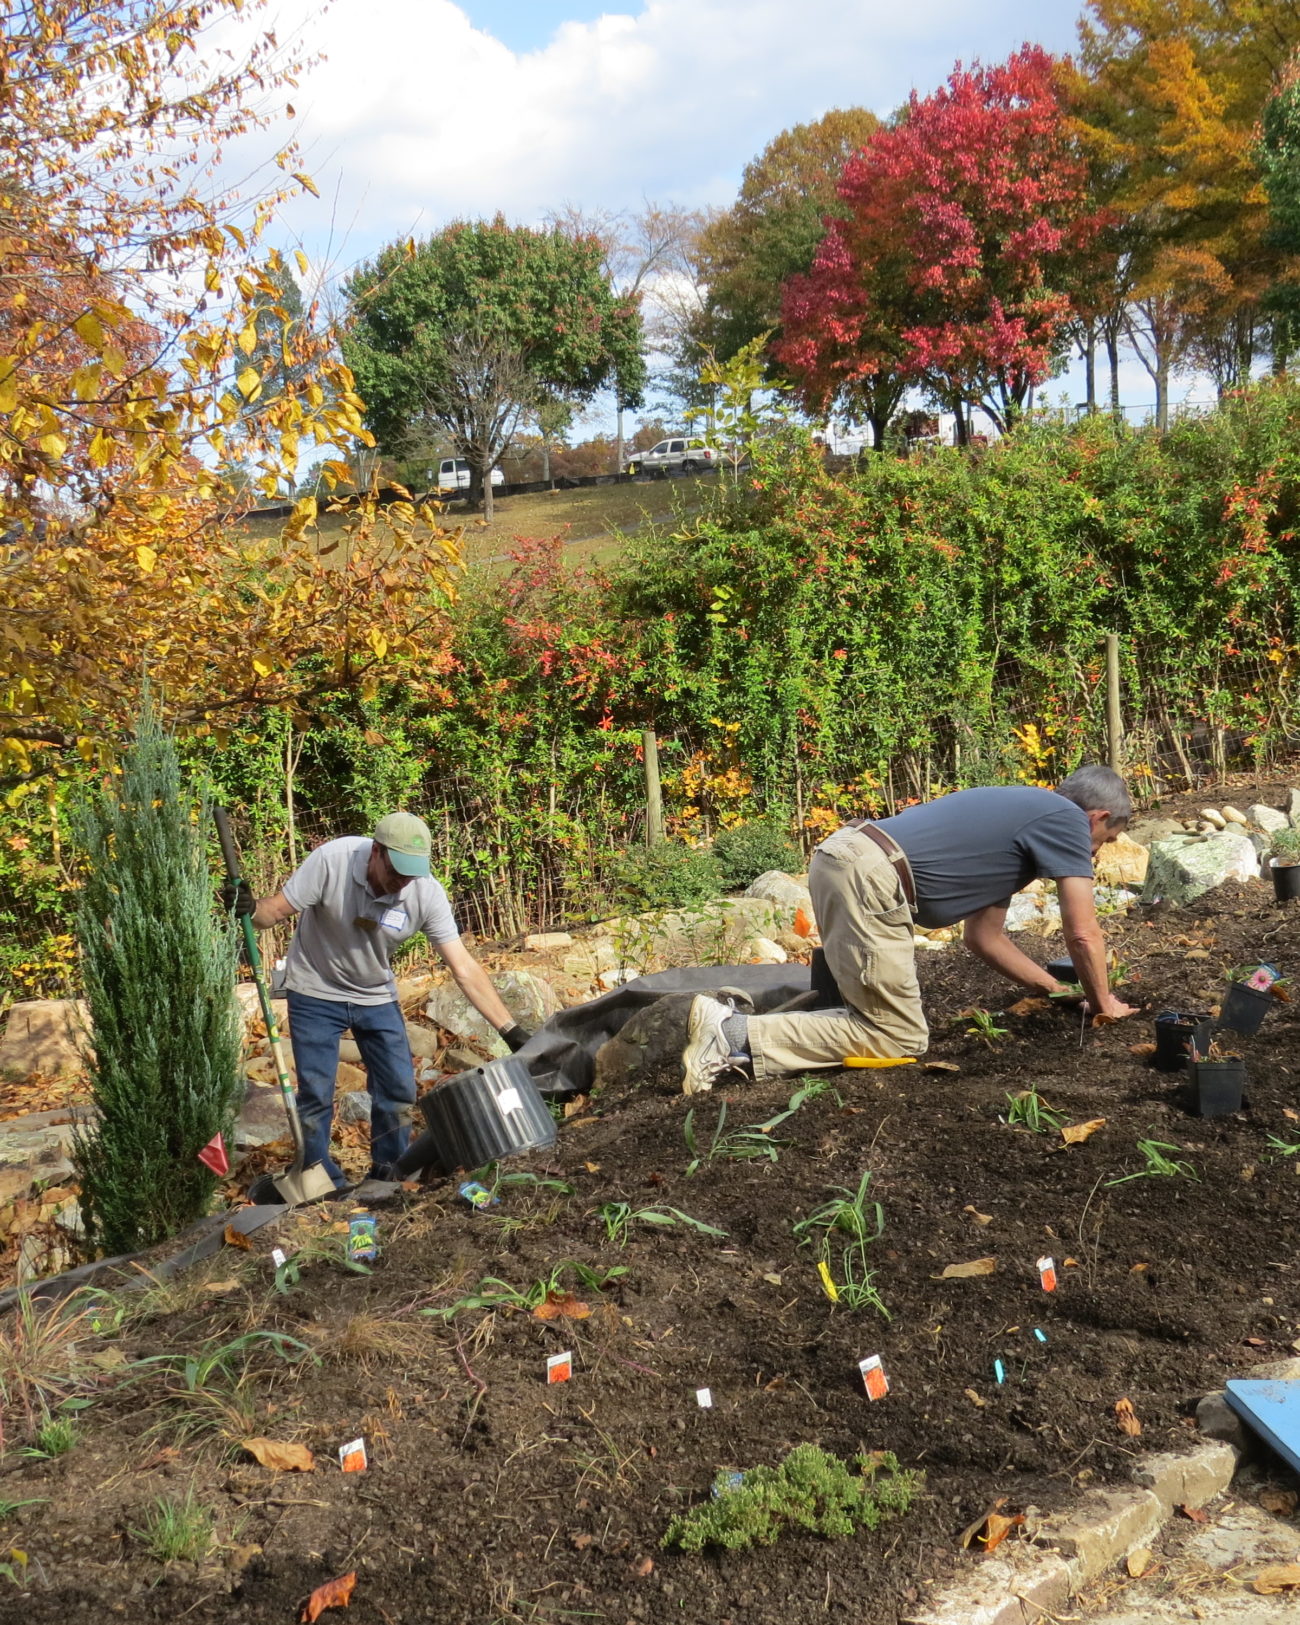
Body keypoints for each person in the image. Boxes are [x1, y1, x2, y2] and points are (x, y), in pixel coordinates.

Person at [680, 765, 1141, 1095]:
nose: (1099, 853)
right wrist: (1105, 1006)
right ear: (1097, 818)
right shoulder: (1064, 821)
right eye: (1109, 839)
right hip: (873, 875)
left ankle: (735, 1035)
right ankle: (733, 1034)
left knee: (877, 1017)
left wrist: (1058, 991)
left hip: (848, 858)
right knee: (898, 1036)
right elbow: (1083, 934)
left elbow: (985, 939)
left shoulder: (1023, 821)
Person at [229, 811, 530, 1189]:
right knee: (317, 1092)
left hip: (375, 994)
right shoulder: (332, 861)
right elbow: (272, 911)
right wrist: (249, 907)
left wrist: (511, 1029)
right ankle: (318, 1177)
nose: (402, 882)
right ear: (376, 852)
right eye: (396, 871)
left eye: (411, 873)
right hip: (314, 989)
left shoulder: (425, 893)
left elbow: (464, 968)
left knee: (399, 1089)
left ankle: (389, 1173)